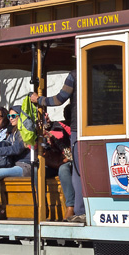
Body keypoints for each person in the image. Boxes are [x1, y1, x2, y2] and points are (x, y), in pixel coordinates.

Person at [36, 72, 86, 224]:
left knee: (71, 170)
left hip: (75, 149)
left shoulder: (74, 74)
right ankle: (42, 209)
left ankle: (75, 208)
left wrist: (38, 99)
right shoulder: (59, 126)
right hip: (66, 157)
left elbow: (59, 99)